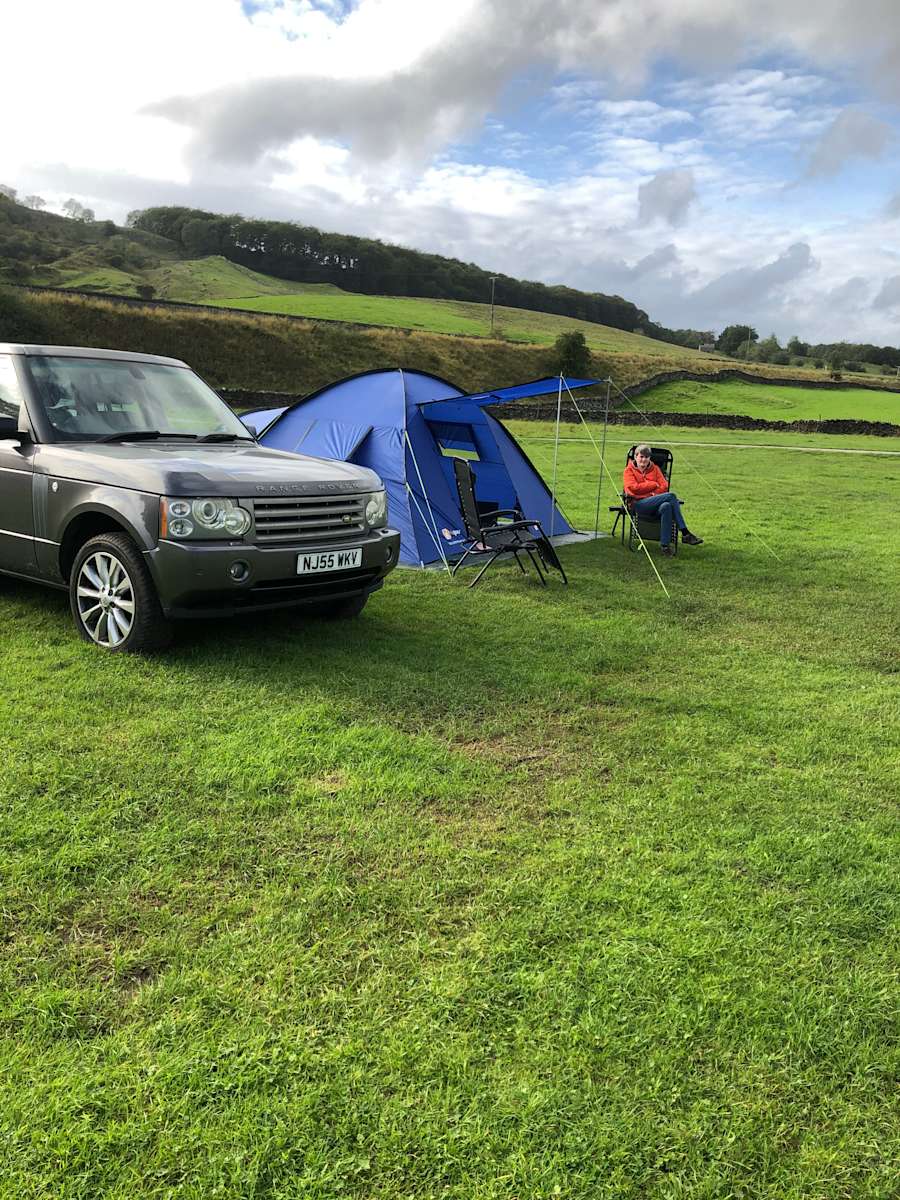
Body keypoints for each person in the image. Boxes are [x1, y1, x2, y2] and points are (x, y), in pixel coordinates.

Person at [623, 444, 703, 556]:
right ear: (636, 457)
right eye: (641, 456)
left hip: (655, 504)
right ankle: (685, 533)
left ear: (649, 458)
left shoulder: (655, 469)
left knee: (667, 506)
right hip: (638, 505)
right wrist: (653, 484)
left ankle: (665, 546)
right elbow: (633, 488)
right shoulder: (629, 471)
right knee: (671, 496)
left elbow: (664, 486)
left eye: (646, 457)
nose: (644, 459)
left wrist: (651, 493)